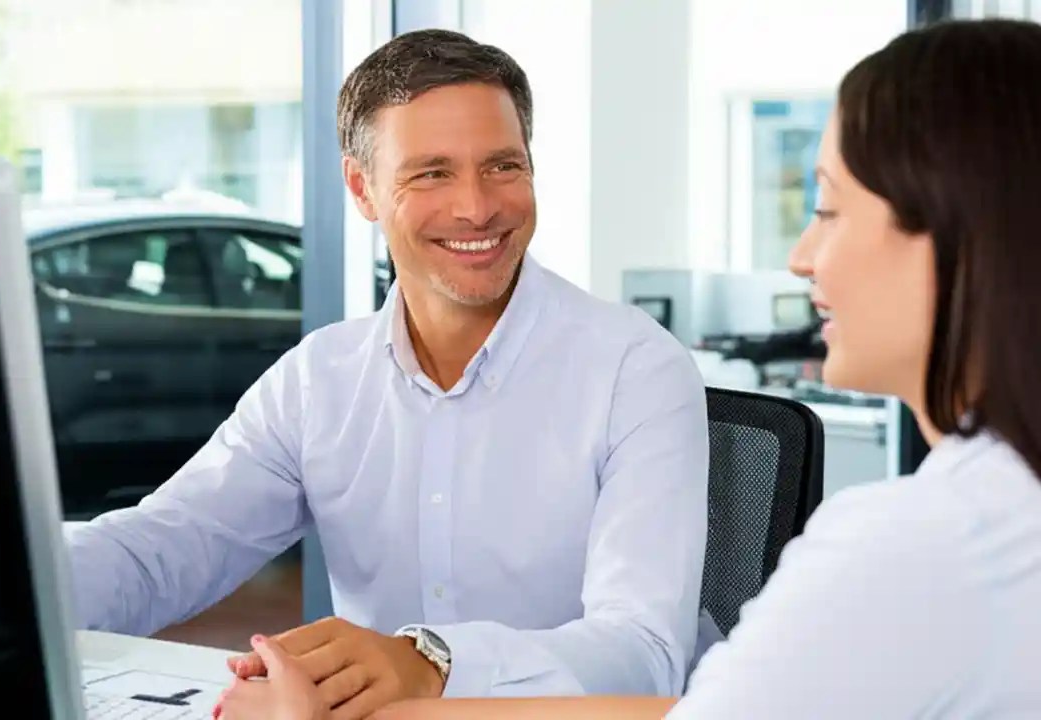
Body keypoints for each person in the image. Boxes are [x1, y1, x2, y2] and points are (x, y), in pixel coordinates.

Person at [216, 18, 1041, 720]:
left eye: (828, 208)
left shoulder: (911, 549)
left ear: (961, 235)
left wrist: (382, 688)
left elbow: (664, 680)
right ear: (364, 189)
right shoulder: (995, 516)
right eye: (432, 172)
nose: (800, 256)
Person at [68, 28, 709, 719]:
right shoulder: (319, 381)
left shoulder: (634, 368)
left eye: (502, 166)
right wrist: (7, 589)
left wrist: (432, 661)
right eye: (432, 173)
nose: (476, 207)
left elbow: (645, 655)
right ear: (362, 188)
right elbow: (162, 550)